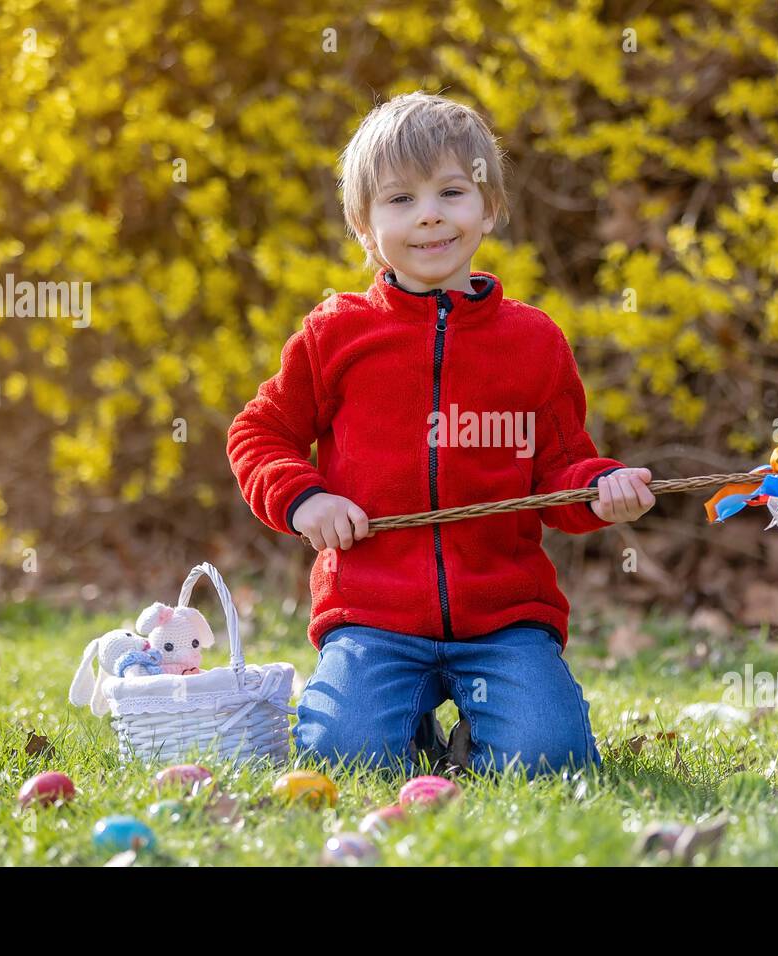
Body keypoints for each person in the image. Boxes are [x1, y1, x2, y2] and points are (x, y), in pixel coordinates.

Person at [227, 92, 654, 779]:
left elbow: (561, 473)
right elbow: (259, 433)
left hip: (504, 618)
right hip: (373, 616)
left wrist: (601, 490)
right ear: (364, 227)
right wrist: (305, 500)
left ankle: (474, 734)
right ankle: (407, 719)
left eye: (452, 192)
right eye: (400, 200)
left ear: (488, 208)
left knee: (550, 759)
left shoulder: (533, 341)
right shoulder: (336, 335)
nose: (429, 213)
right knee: (344, 757)